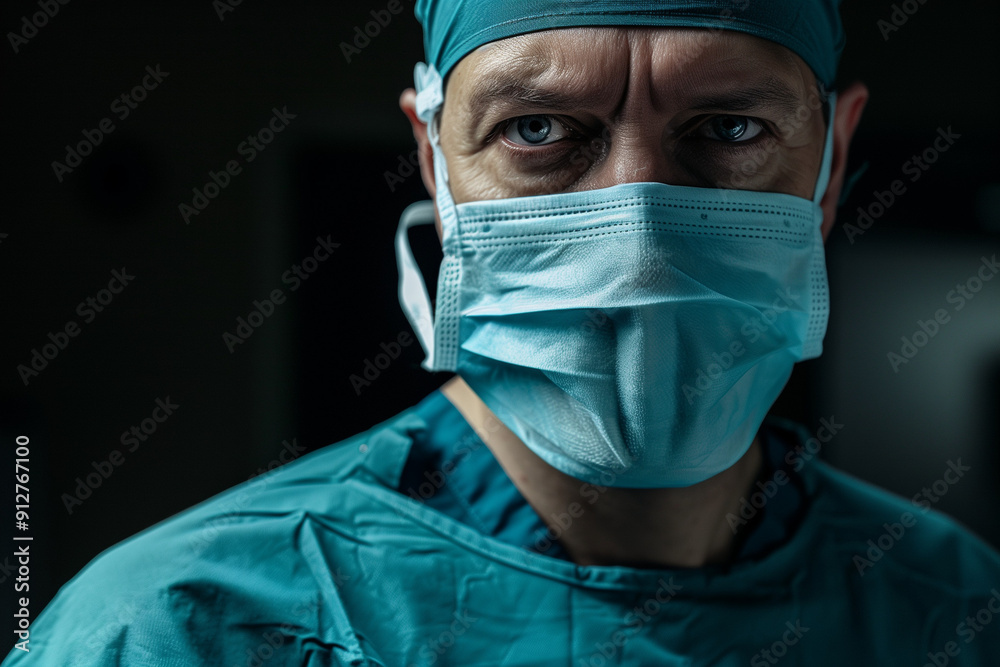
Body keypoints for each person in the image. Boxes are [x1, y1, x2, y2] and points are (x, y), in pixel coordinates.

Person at [6, 1, 1000, 665]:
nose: (639, 238)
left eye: (729, 129)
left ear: (830, 164)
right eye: (538, 129)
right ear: (435, 165)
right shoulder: (174, 628)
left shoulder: (953, 607)